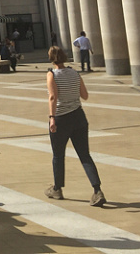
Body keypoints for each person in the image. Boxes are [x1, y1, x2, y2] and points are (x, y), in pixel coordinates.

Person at [46, 46, 105, 206]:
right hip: (78, 117)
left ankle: (57, 189)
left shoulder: (51, 74)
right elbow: (85, 96)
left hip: (61, 118)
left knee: (58, 155)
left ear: (51, 58)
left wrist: (52, 118)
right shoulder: (74, 73)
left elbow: (53, 97)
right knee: (85, 155)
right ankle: (97, 190)